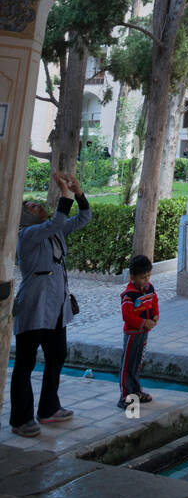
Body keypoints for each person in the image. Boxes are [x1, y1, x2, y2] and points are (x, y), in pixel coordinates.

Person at [9, 169, 91, 437]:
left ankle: (48, 408)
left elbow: (83, 218)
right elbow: (56, 222)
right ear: (25, 217)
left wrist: (78, 193)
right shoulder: (28, 235)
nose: (37, 205)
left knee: (57, 356)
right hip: (34, 306)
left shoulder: (54, 232)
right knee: (25, 363)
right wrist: (64, 194)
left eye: (36, 202)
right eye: (30, 205)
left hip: (56, 307)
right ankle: (21, 419)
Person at [118, 254, 159, 409]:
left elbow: (154, 302)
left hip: (143, 333)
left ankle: (135, 391)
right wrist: (143, 323)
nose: (146, 280)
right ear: (133, 277)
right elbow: (126, 316)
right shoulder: (129, 295)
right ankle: (125, 396)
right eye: (143, 277)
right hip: (132, 334)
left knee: (137, 363)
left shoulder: (149, 289)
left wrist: (155, 317)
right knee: (127, 364)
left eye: (148, 276)